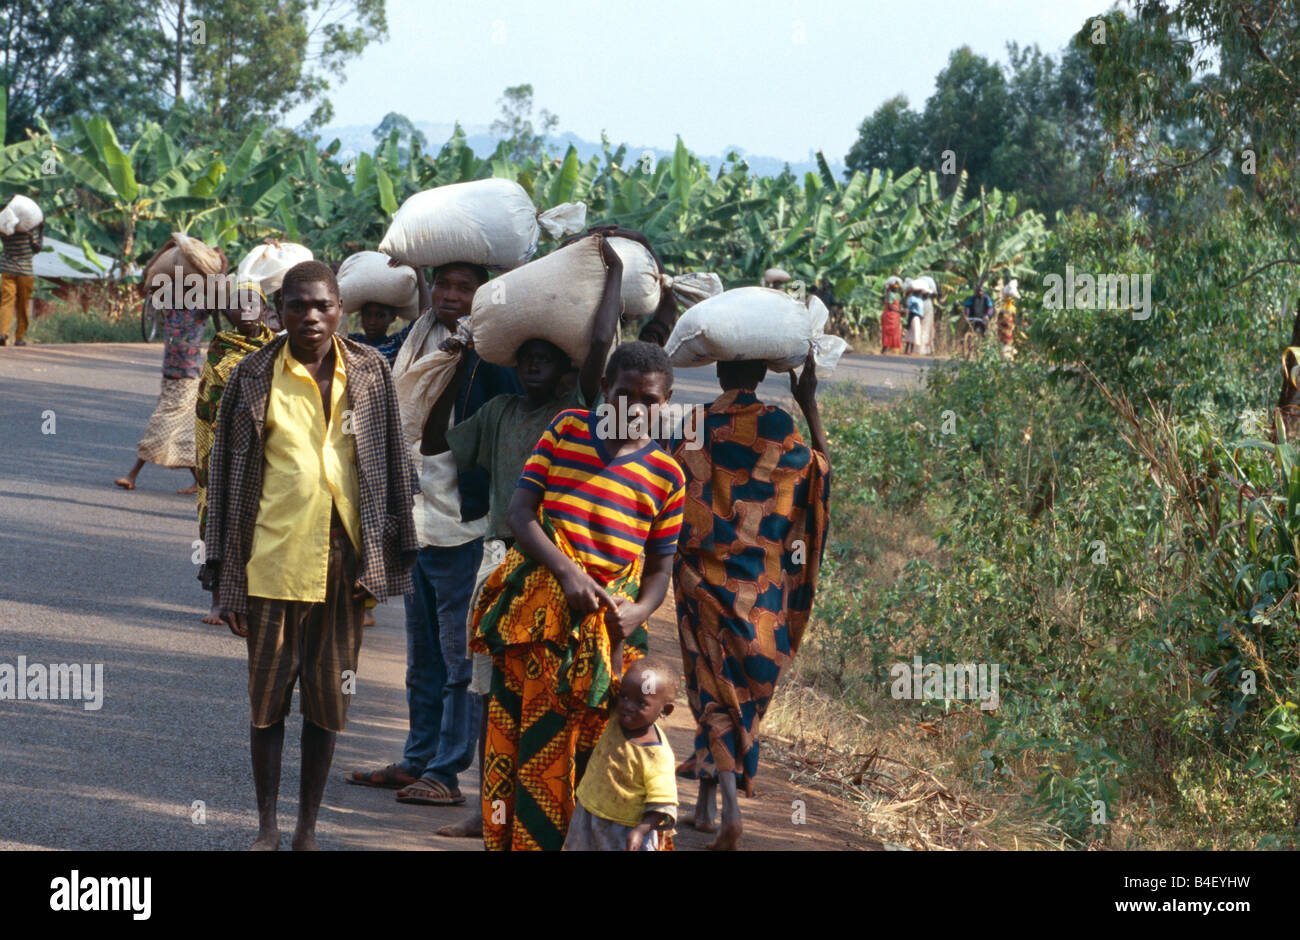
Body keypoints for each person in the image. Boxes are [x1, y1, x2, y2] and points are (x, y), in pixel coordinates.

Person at [201, 260, 418, 850]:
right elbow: (223, 477)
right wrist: (225, 580)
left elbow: (395, 464)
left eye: (322, 305)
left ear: (339, 309)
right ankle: (268, 825)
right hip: (269, 564)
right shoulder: (250, 375)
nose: (311, 316)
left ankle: (306, 829)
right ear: (279, 312)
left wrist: (384, 560)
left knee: (327, 706)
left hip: (344, 568)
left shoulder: (371, 371)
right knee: (267, 707)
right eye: (297, 305)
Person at [425, 231, 633, 839]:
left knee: (568, 685)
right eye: (525, 357)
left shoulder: (583, 412)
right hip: (502, 560)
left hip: (568, 562)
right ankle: (493, 808)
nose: (534, 364)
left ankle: (560, 805)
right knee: (495, 689)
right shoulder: (500, 414)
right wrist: (455, 366)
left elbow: (600, 343)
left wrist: (612, 276)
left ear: (568, 367)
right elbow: (440, 443)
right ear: (513, 364)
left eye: (547, 356)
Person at [470, 340, 686, 851]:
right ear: (604, 390)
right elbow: (521, 514)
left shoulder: (668, 475)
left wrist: (640, 611)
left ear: (667, 402)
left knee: (604, 753)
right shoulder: (566, 430)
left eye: (649, 401)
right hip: (541, 621)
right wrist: (568, 574)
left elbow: (660, 568)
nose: (634, 409)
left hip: (612, 633)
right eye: (623, 395)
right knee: (530, 747)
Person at [346, 261, 520, 806]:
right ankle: (416, 758)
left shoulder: (492, 357)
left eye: (463, 287)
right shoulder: (414, 343)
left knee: (459, 658)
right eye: (441, 283)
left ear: (483, 295)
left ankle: (446, 772)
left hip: (464, 525)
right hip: (418, 521)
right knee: (421, 655)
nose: (448, 294)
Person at [672, 350, 831, 851]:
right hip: (763, 589)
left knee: (710, 680)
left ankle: (728, 812)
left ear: (718, 371)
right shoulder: (782, 427)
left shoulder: (697, 426)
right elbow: (820, 473)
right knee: (739, 688)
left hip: (703, 580)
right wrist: (809, 403)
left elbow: (673, 488)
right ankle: (711, 805)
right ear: (764, 374)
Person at [194, 280, 276, 625]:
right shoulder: (220, 349)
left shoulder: (278, 349)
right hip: (223, 449)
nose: (244, 309)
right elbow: (204, 404)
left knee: (261, 523)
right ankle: (218, 600)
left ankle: (255, 599)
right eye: (237, 303)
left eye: (251, 302)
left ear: (264, 309)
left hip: (266, 448)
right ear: (227, 311)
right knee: (220, 522)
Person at [114, 263, 216, 493]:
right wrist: (170, 247)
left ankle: (132, 474)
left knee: (160, 423)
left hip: (187, 378)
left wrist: (219, 264)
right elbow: (148, 279)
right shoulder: (169, 306)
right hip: (170, 376)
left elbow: (217, 286)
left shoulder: (201, 310)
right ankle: (201, 482)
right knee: (182, 430)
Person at [563, 659, 678, 851]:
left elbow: (663, 803)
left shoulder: (657, 756)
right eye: (624, 696)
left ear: (664, 711)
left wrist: (640, 832)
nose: (628, 706)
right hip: (588, 813)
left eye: (641, 703)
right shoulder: (616, 717)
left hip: (625, 829)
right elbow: (614, 674)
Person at [346, 262, 426, 366]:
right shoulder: (352, 341)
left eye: (380, 316)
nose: (372, 322)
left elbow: (425, 317)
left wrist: (419, 272)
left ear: (392, 318)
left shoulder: (394, 344)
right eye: (367, 315)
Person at [0, 218, 42, 347]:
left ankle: (2, 333)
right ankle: (19, 337)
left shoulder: (5, 231)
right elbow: (37, 248)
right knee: (23, 305)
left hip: (8, 270)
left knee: (6, 302)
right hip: (25, 272)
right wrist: (41, 231)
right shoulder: (29, 231)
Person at [880, 276, 904, 354]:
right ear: (891, 287)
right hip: (890, 316)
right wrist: (899, 311)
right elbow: (890, 306)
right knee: (890, 331)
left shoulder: (894, 294)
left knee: (894, 332)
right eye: (895, 287)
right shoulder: (890, 294)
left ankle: (887, 350)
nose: (896, 288)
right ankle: (884, 350)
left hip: (894, 316)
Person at [903, 283, 925, 356]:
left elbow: (921, 310)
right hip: (913, 316)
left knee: (914, 333)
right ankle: (907, 350)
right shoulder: (912, 298)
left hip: (918, 317)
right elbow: (909, 307)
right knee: (911, 332)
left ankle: (911, 350)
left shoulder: (920, 300)